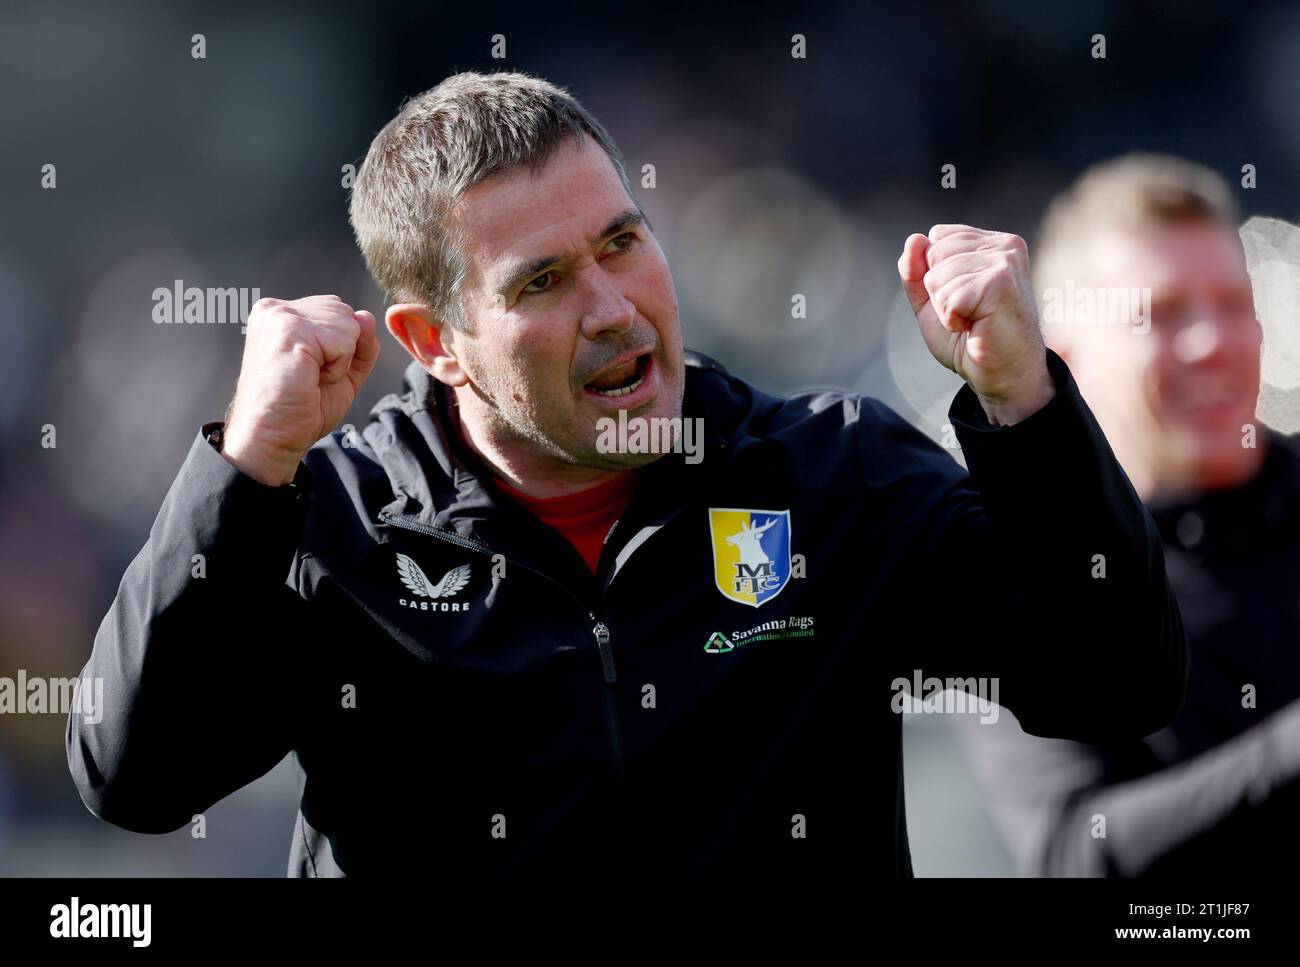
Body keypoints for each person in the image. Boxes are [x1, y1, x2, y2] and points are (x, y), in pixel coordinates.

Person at [66, 71, 1185, 883]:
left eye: (620, 242)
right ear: (434, 341)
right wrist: (245, 467)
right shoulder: (333, 525)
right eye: (541, 279)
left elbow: (1116, 678)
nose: (609, 306)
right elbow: (137, 780)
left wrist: (1023, 405)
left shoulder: (828, 473)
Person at [958, 153, 1300, 876]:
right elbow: (1074, 853)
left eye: (1235, 304)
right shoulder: (1022, 574)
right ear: (1065, 356)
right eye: (1164, 314)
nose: (1214, 342)